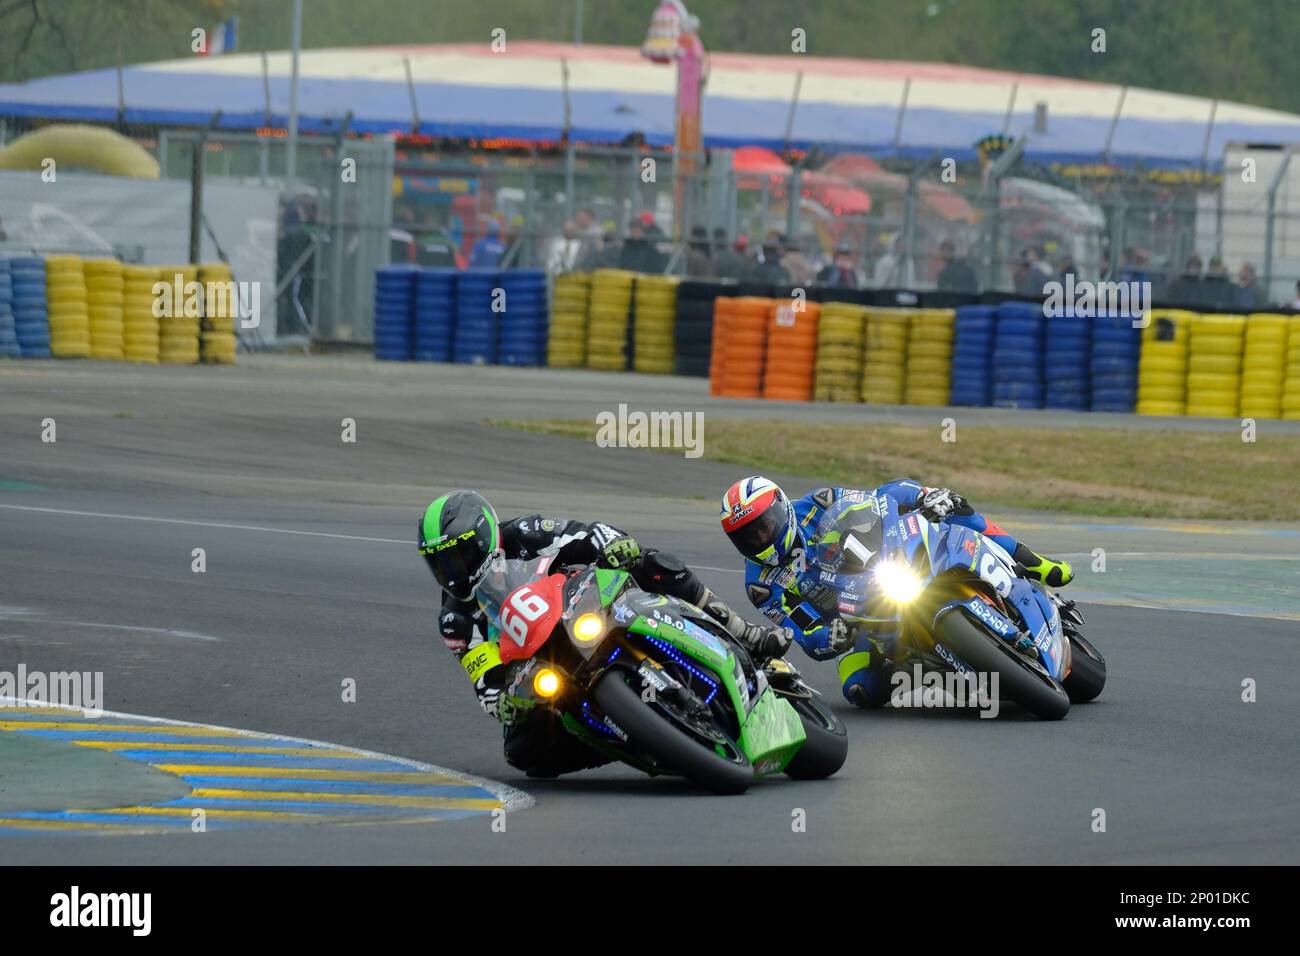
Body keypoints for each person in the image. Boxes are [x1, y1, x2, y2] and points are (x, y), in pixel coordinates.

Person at [419, 491, 789, 777]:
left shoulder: (524, 534)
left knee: (653, 563)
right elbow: (485, 681)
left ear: (483, 536)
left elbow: (588, 533)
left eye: (458, 554)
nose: (451, 570)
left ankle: (744, 633)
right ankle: (644, 739)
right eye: (439, 562)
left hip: (589, 606)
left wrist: (615, 545)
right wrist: (504, 702)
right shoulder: (456, 620)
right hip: (544, 664)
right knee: (523, 753)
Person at [718, 477, 1075, 709]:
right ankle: (940, 673)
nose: (759, 540)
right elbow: (804, 635)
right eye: (746, 536)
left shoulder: (819, 502)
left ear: (780, 508)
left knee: (957, 509)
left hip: (889, 563)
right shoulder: (762, 586)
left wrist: (924, 497)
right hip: (857, 618)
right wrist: (833, 635)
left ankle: (1031, 559)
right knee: (859, 690)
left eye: (762, 527)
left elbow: (882, 500)